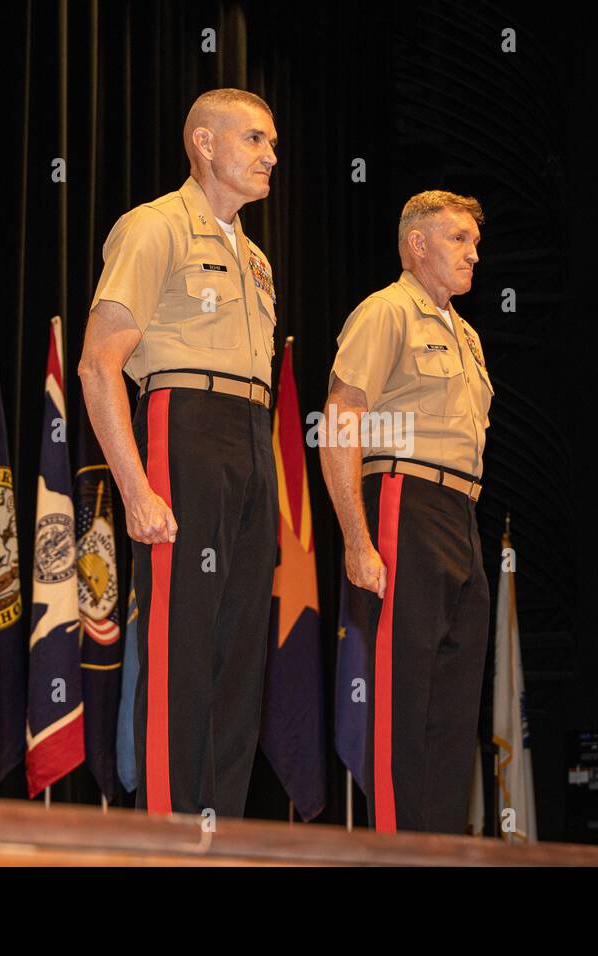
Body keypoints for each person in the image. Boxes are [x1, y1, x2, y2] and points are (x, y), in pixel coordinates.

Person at [78, 88, 279, 817]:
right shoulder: (155, 226)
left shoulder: (255, 258)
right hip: (183, 425)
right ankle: (166, 838)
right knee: (182, 652)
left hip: (254, 437)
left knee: (239, 657)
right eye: (255, 140)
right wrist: (136, 489)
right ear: (204, 143)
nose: (270, 157)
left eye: (273, 145)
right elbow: (99, 363)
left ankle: (217, 835)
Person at [320, 190, 493, 833]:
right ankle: (398, 851)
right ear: (417, 244)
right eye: (459, 239)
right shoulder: (386, 311)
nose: (474, 253)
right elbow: (340, 421)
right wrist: (356, 539)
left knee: (453, 705)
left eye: (476, 242)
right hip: (404, 500)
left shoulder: (469, 334)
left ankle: (443, 849)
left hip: (464, 512)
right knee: (403, 695)